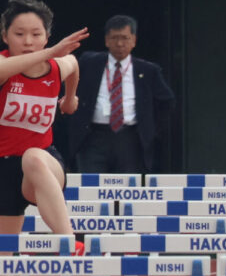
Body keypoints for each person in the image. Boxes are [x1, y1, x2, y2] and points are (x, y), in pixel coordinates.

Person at [0, 0, 89, 276]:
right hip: (0, 172)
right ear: (5, 36)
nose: (28, 42)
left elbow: (74, 66)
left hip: (42, 169)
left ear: (47, 35)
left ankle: (69, 242)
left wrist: (69, 100)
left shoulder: (58, 64)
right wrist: (52, 53)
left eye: (36, 34)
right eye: (20, 34)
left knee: (33, 157)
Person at [69, 15, 174, 173]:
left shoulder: (148, 70)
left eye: (125, 38)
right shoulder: (89, 62)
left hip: (130, 139)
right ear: (106, 40)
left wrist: (152, 129)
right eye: (114, 38)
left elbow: (167, 101)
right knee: (90, 187)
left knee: (128, 189)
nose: (119, 44)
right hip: (94, 137)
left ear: (134, 40)